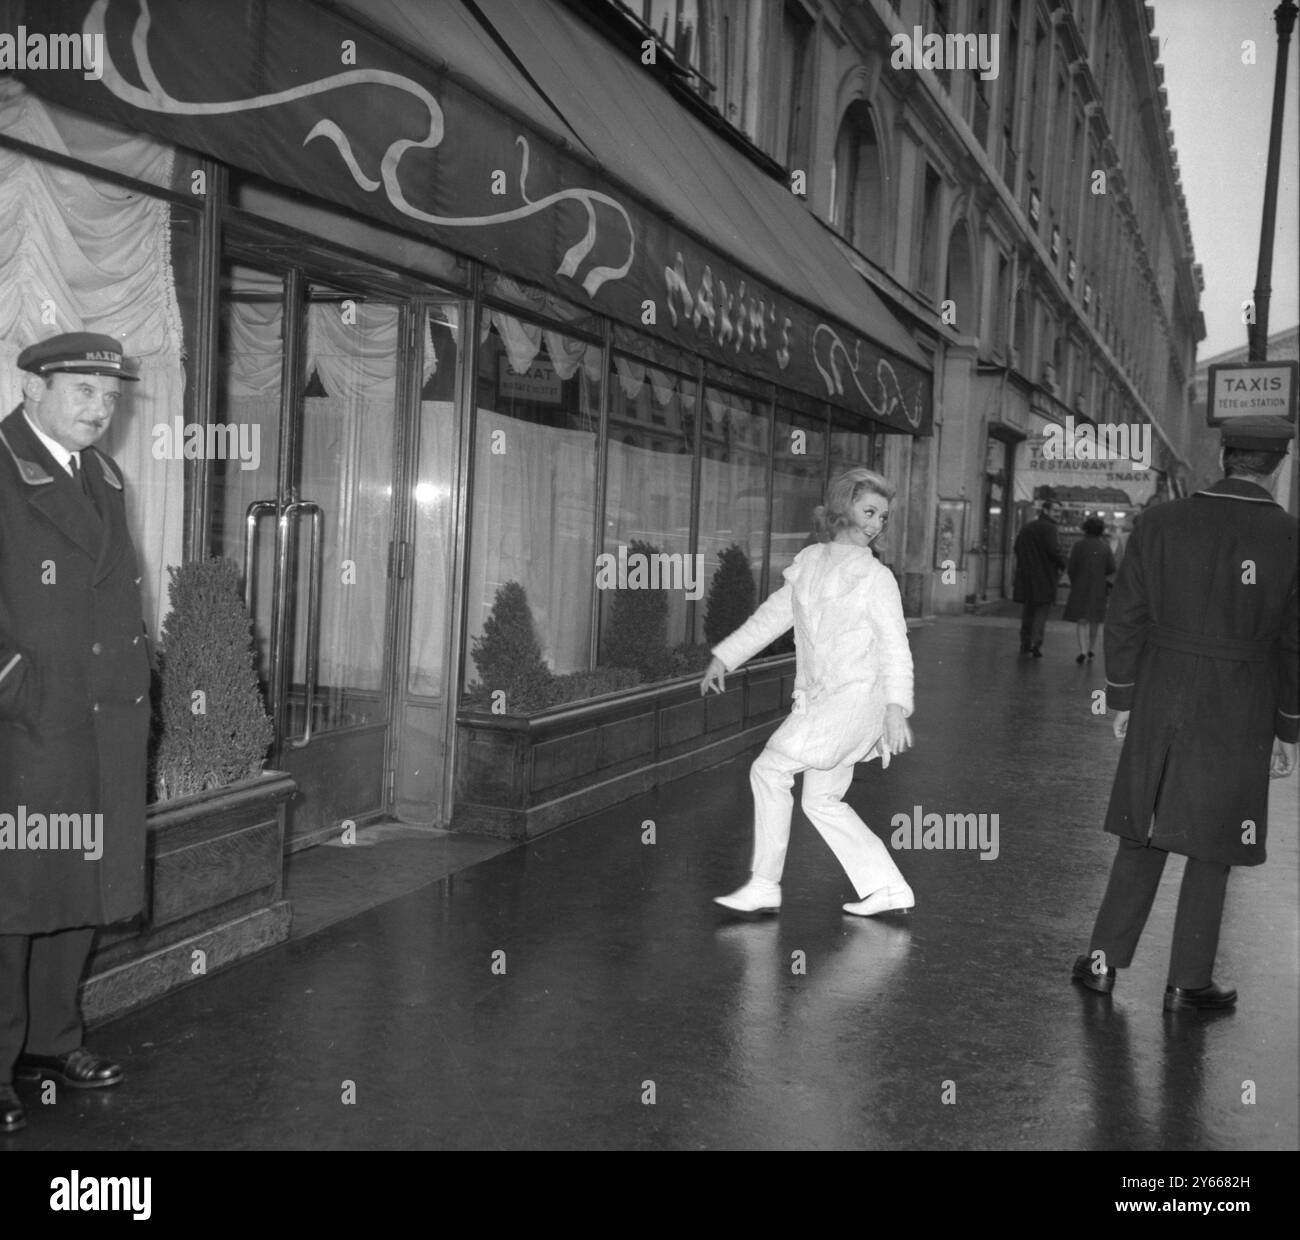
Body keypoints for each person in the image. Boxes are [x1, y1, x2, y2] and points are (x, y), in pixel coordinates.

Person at [1072, 418, 1299, 1012]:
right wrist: (1287, 727)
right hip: (1244, 700)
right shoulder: (1291, 537)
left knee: (1142, 827)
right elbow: (1295, 643)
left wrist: (1121, 697)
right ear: (1276, 466)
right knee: (1216, 842)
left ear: (1224, 455)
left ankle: (1102, 964)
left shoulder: (1159, 522)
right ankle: (1186, 981)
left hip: (1163, 688)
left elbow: (1126, 617)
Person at [0, 333, 151, 1134]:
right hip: (26, 731)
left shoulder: (103, 476)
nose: (101, 409)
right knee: (13, 900)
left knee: (77, 889)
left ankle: (52, 1042)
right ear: (33, 388)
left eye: (111, 395)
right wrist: (18, 692)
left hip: (101, 725)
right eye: (84, 391)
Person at [700, 468, 915, 918]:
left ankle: (764, 883)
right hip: (818, 700)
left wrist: (897, 709)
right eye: (869, 511)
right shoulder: (811, 562)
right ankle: (888, 887)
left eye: (883, 516)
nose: (877, 524)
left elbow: (896, 647)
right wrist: (726, 656)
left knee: (769, 768)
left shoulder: (877, 579)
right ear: (842, 508)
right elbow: (772, 617)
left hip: (856, 701)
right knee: (821, 800)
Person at [1012, 495, 1066, 657]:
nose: (1058, 514)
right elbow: (1054, 551)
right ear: (1046, 510)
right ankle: (1036, 643)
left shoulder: (1028, 527)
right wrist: (1063, 565)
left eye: (1059, 511)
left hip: (1027, 577)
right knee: (1041, 611)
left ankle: (1025, 642)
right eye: (1055, 511)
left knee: (1028, 611)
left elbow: (1017, 548)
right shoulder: (1050, 528)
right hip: (1044, 577)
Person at [1063, 515, 1115, 663]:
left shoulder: (1078, 546)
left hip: (1080, 586)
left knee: (1082, 620)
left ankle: (1083, 650)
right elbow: (1111, 568)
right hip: (1098, 588)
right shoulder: (1105, 547)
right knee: (1095, 620)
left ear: (1085, 529)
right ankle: (1091, 648)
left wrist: (1075, 581)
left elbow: (1071, 568)